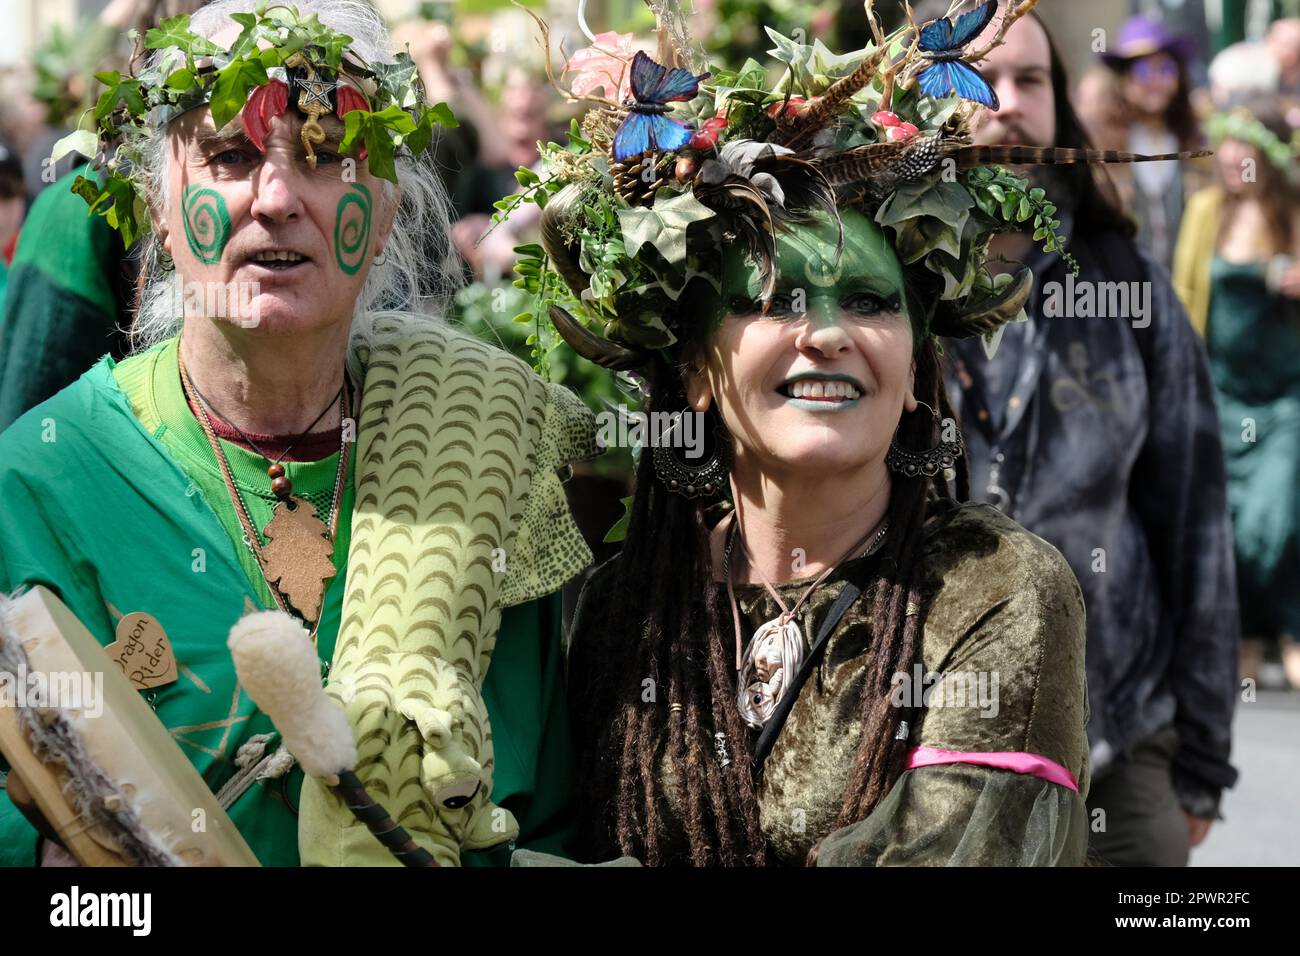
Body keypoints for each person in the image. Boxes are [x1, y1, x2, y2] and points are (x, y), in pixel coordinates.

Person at [0, 0, 596, 867]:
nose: (276, 197)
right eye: (231, 155)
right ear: (159, 209)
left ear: (387, 213)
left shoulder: (479, 459)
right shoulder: (41, 484)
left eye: (325, 155)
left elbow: (545, 820)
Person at [515, 1, 1100, 867]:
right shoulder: (621, 608)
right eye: (767, 301)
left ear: (914, 373)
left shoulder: (991, 587)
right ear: (695, 375)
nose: (826, 333)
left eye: (868, 302)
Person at [943, 8, 1240, 867]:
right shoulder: (879, 293)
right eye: (979, 80)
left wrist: (1202, 757)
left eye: (1032, 80)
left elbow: (1197, 514)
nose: (1007, 103)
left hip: (1119, 729)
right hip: (931, 743)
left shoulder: (1125, 283)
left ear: (1062, 107)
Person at [1174, 98, 1300, 691]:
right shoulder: (1206, 212)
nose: (1230, 157)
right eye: (1225, 144)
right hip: (1221, 394)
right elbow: (1183, 293)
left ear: (1269, 155)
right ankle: (1248, 635)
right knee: (1228, 524)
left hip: (1283, 401)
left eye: (1243, 145)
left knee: (1271, 522)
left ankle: (1290, 631)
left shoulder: (1292, 212)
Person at [1096, 16, 1209, 269]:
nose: (1156, 81)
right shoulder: (1103, 144)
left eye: (1166, 70)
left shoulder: (1192, 140)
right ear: (1123, 80)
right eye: (1144, 71)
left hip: (1184, 281)